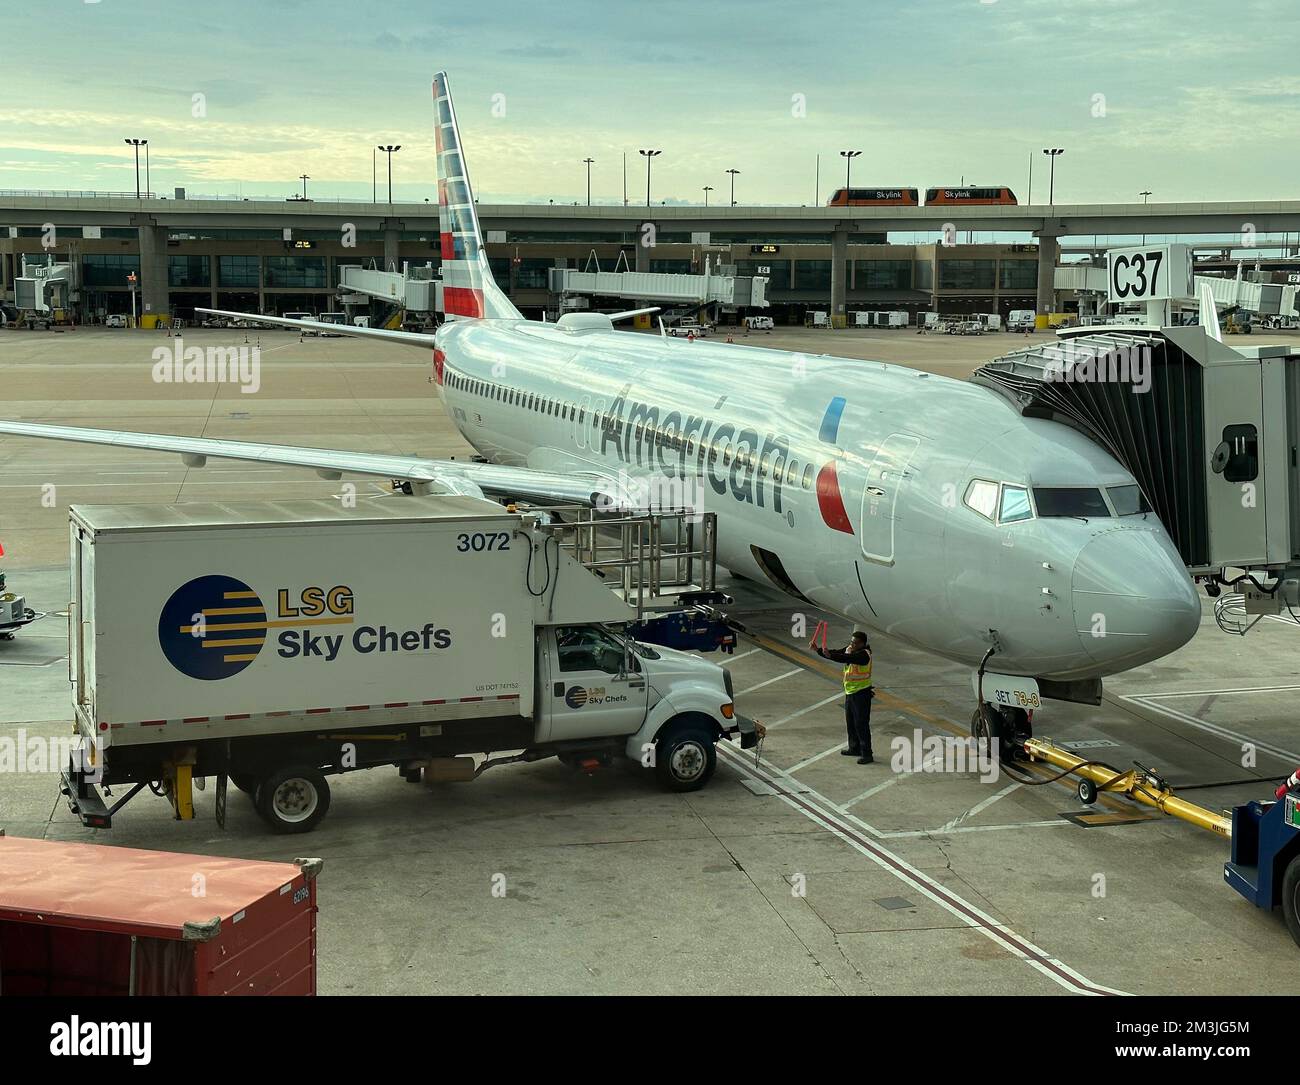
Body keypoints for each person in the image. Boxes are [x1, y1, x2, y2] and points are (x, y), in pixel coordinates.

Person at [817, 630, 874, 764]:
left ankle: (867, 753)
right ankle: (854, 747)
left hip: (862, 693)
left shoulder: (864, 655)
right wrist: (819, 650)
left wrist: (830, 655)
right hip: (850, 692)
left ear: (862, 644)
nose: (852, 644)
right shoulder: (850, 649)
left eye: (856, 643)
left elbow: (845, 658)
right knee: (851, 722)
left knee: (861, 724)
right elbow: (836, 653)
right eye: (852, 642)